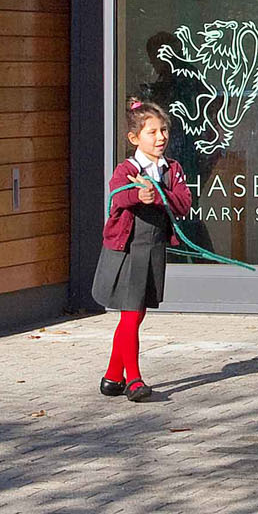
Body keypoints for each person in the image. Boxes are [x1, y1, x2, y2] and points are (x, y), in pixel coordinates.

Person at [93, 99, 190, 402]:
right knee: (131, 314)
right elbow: (118, 195)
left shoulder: (172, 169)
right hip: (127, 251)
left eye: (163, 131)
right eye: (152, 132)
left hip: (152, 249)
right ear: (134, 138)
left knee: (136, 313)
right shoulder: (127, 169)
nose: (160, 137)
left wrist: (159, 196)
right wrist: (138, 193)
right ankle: (133, 380)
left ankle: (112, 376)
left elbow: (184, 202)